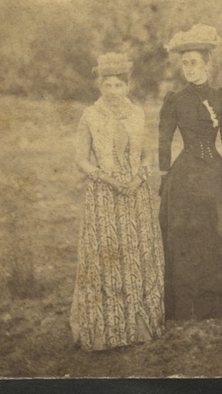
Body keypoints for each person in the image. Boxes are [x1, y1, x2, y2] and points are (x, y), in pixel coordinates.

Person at [71, 52, 164, 351]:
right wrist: (107, 179)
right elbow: (81, 159)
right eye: (108, 85)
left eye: (119, 85)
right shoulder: (90, 115)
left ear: (127, 86)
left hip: (136, 194)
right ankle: (106, 331)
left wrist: (139, 178)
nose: (113, 91)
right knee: (108, 258)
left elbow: (147, 154)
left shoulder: (137, 114)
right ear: (100, 85)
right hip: (104, 195)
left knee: (137, 254)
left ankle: (139, 326)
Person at [158, 24, 222, 321]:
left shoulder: (221, 97)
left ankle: (218, 300)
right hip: (185, 174)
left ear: (207, 63)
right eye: (185, 64)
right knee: (186, 233)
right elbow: (164, 139)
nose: (189, 69)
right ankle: (187, 300)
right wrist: (164, 176)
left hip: (215, 172)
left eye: (194, 62)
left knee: (219, 228)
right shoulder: (175, 99)